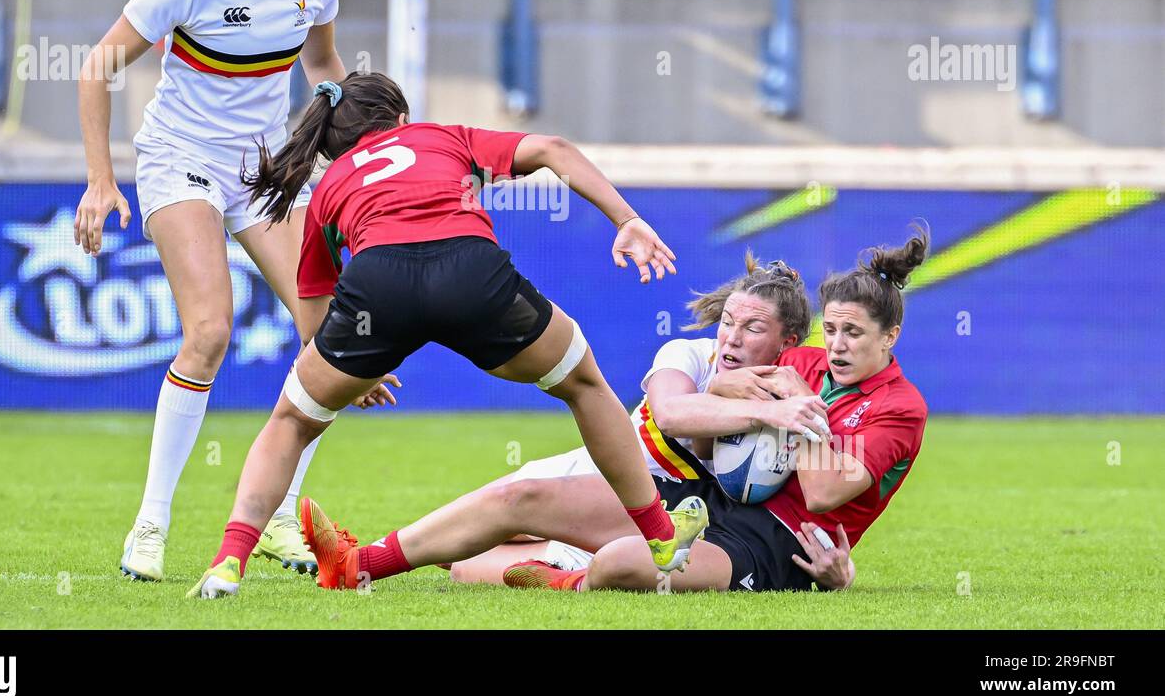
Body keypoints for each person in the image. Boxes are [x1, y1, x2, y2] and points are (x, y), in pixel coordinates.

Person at [185, 71, 710, 598]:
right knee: (584, 386)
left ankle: (229, 562)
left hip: (378, 284)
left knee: (292, 422)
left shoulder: (328, 189)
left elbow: (312, 324)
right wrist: (626, 219)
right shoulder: (439, 136)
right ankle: (661, 537)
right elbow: (552, 147)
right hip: (471, 273)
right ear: (400, 120)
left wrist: (352, 370)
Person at [295, 227, 929, 595]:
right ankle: (355, 565)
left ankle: (558, 578)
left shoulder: (899, 409)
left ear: (889, 338)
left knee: (623, 561)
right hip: (695, 494)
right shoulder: (799, 364)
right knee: (519, 500)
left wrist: (796, 407)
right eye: (834, 331)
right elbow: (721, 394)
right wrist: (775, 396)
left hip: (775, 545)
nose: (837, 346)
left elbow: (820, 491)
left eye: (853, 334)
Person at [73, 0, 348, 582]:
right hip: (181, 159)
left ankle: (279, 519)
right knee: (210, 331)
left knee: (330, 340)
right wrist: (101, 180)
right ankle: (150, 527)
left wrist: (353, 132)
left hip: (263, 170)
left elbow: (322, 71)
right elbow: (96, 67)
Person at [449, 253, 820, 583]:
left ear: (788, 342)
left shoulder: (795, 399)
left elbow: (817, 491)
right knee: (453, 546)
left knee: (465, 569)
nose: (731, 339)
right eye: (726, 322)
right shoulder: (690, 355)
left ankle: (564, 574)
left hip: (650, 517)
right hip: (584, 479)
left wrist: (841, 571)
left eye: (752, 328)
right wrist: (745, 401)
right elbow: (671, 415)